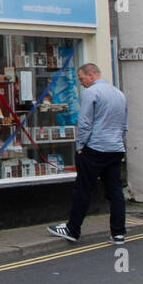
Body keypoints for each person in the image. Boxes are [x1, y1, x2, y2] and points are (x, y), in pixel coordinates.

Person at [48, 62, 129, 244]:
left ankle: (72, 230)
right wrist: (118, 141)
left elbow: (84, 123)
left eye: (82, 78)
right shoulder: (119, 94)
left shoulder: (91, 92)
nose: (81, 82)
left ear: (91, 75)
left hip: (94, 148)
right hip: (115, 149)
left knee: (83, 190)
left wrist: (80, 146)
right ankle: (118, 234)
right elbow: (125, 125)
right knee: (115, 192)